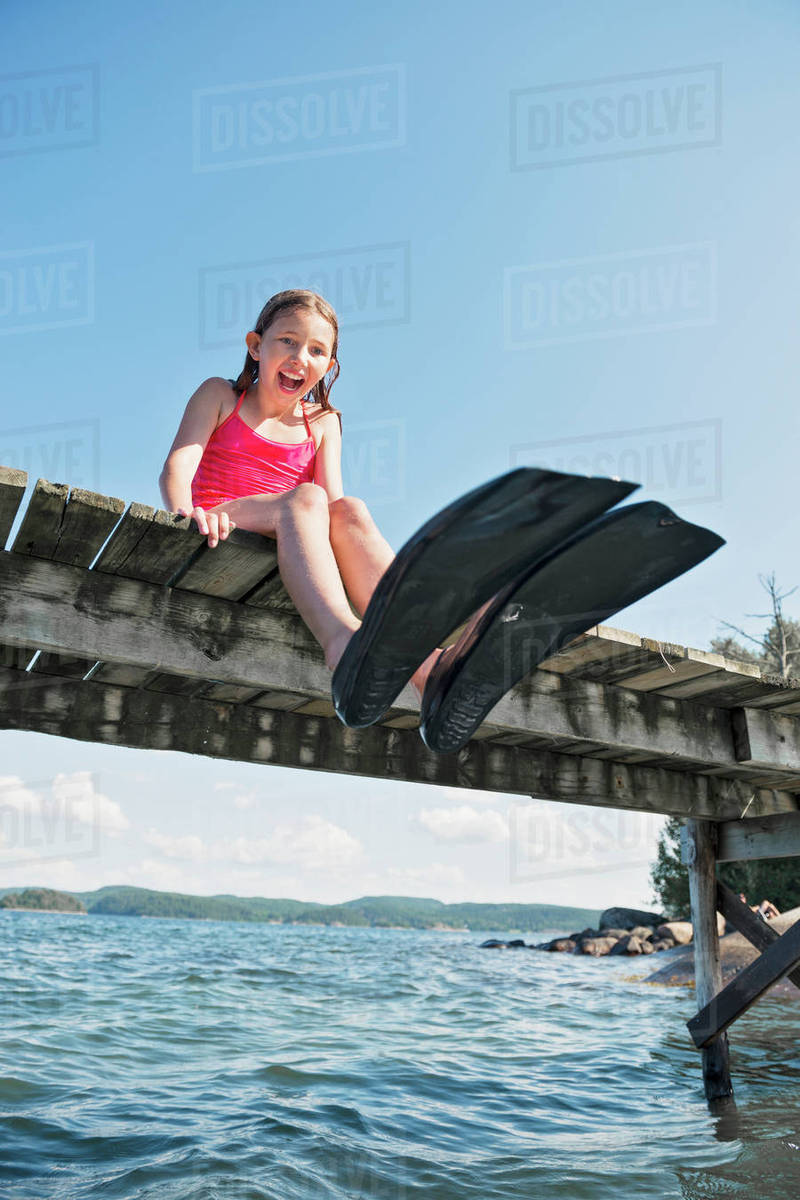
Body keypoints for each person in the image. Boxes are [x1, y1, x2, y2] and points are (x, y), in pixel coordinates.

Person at [159, 288, 444, 701]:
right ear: (256, 347)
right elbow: (177, 467)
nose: (300, 358)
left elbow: (335, 516)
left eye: (316, 350)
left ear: (328, 366)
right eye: (288, 341)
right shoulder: (220, 395)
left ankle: (424, 662)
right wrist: (184, 515)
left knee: (349, 509)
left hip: (290, 531)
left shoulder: (324, 422)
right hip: (222, 522)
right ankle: (342, 640)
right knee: (308, 498)